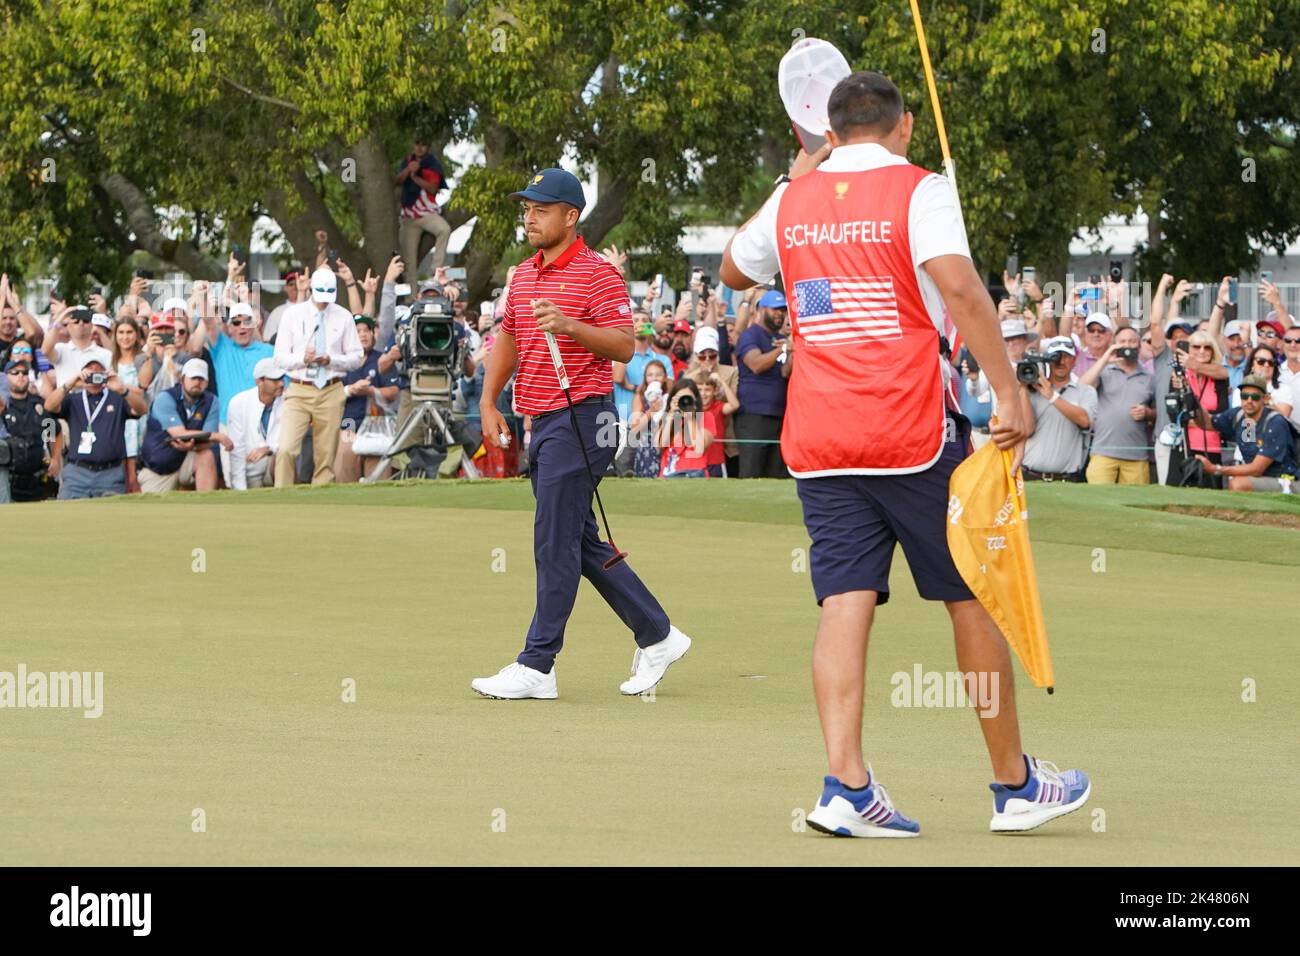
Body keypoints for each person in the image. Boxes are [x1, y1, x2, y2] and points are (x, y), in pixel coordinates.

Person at [721, 70, 1086, 837]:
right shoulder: (921, 188)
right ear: (904, 124)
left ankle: (845, 786)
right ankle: (1014, 786)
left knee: (844, 602)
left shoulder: (794, 198)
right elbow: (959, 289)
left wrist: (794, 180)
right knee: (972, 597)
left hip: (820, 437)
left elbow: (731, 270)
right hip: (911, 431)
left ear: (828, 128)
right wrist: (1009, 392)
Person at [472, 167, 691, 700]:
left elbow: (623, 346)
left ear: (570, 217)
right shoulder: (522, 275)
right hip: (542, 422)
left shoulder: (598, 274)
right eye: (526, 208)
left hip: (585, 420)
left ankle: (538, 663)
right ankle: (658, 634)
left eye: (541, 209)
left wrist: (570, 326)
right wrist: (486, 400)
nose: (529, 216)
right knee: (577, 540)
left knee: (553, 541)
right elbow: (509, 340)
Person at [272, 268, 364, 486]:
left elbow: (356, 357)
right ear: (311, 288)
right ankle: (280, 497)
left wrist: (331, 359)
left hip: (331, 388)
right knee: (286, 448)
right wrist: (302, 358)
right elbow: (279, 358)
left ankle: (318, 505)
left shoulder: (343, 316)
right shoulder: (292, 315)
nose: (324, 301)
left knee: (325, 458)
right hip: (299, 387)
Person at [45, 355, 147, 499]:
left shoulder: (116, 397)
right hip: (78, 471)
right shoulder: (74, 398)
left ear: (105, 373)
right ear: (82, 373)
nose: (94, 375)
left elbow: (142, 409)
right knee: (68, 515)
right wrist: (71, 383)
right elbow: (49, 405)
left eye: (98, 371)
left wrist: (122, 389)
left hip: (110, 472)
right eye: (90, 371)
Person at [137, 359, 231, 493]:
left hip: (186, 460)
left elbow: (207, 443)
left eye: (201, 378)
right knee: (152, 511)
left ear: (207, 382)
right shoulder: (165, 398)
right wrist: (218, 436)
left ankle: (207, 506)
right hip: (159, 467)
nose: (197, 382)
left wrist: (193, 445)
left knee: (206, 456)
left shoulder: (211, 401)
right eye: (193, 378)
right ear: (182, 379)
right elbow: (178, 433)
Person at [1077, 326, 1155, 484]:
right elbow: (1082, 387)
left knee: (1134, 505)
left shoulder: (1149, 377)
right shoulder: (1104, 371)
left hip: (1136, 455)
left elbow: (1158, 411)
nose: (1127, 345)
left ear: (1139, 345)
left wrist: (1147, 413)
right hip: (1103, 452)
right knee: (1099, 503)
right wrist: (1105, 359)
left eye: (1132, 341)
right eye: (1122, 341)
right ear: (1115, 344)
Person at [1198, 375, 1297, 492]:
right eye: (1244, 396)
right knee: (1238, 480)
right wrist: (1195, 405)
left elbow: (1256, 469)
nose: (1249, 401)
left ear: (1265, 399)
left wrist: (1216, 469)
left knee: (1238, 484)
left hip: (1288, 478)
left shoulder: (1276, 423)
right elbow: (1207, 423)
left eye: (1255, 397)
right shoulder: (1243, 418)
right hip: (1263, 477)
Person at [734, 288, 791, 478]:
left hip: (779, 415)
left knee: (776, 476)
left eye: (783, 310)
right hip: (753, 416)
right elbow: (756, 364)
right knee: (752, 473)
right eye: (775, 309)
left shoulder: (781, 339)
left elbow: (785, 372)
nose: (779, 314)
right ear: (761, 310)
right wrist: (782, 349)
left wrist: (793, 351)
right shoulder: (750, 335)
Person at [335, 314, 399, 484]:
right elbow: (329, 394)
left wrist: (370, 391)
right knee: (344, 461)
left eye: (366, 330)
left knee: (378, 472)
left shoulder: (381, 359)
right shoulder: (341, 361)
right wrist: (351, 389)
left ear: (373, 333)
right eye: (357, 331)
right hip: (348, 422)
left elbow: (393, 392)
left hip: (377, 425)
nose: (363, 335)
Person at [1022, 336, 1096, 481]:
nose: (1061, 362)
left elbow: (1084, 420)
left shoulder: (1086, 391)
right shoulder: (1033, 390)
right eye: (1056, 357)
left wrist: (1052, 396)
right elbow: (1026, 429)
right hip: (1031, 476)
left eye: (1066, 357)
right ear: (1048, 360)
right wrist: (1023, 389)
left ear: (1074, 361)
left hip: (1067, 479)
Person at [1, 360, 58, 501]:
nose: (21, 376)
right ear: (5, 377)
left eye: (25, 373)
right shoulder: (3, 406)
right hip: (9, 481)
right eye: (15, 373)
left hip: (36, 481)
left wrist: (55, 458)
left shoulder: (38, 404)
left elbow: (52, 429)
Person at [226, 358, 286, 490]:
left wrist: (269, 448)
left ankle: (287, 502)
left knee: (284, 458)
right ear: (259, 381)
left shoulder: (290, 401)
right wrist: (240, 490)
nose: (281, 383)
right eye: (275, 380)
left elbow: (292, 442)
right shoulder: (238, 402)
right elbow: (237, 449)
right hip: (249, 471)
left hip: (273, 465)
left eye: (282, 378)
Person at [396, 135, 452, 278]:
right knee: (409, 261)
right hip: (409, 216)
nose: (419, 148)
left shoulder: (432, 164)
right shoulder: (407, 161)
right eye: (417, 144)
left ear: (428, 147)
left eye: (423, 145)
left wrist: (415, 177)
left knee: (444, 229)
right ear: (413, 145)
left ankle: (436, 269)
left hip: (427, 213)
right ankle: (411, 297)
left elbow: (433, 188)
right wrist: (409, 170)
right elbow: (396, 180)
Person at [111, 316, 152, 492]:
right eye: (121, 332)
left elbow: (142, 389)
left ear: (136, 334)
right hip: (115, 419)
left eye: (129, 332)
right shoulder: (110, 360)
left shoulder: (143, 359)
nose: (125, 337)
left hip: (138, 419)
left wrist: (120, 387)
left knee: (134, 475)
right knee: (120, 473)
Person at [657, 378, 713, 478]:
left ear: (695, 399)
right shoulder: (668, 417)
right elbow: (661, 444)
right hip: (668, 474)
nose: (684, 401)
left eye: (688, 398)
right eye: (680, 397)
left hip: (694, 474)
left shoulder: (706, 417)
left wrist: (689, 416)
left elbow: (699, 448)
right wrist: (670, 414)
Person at [628, 358, 671, 478]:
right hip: (646, 449)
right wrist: (652, 411)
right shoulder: (640, 396)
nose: (654, 378)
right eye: (650, 375)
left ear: (665, 377)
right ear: (645, 378)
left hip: (667, 447)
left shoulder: (669, 396)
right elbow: (634, 429)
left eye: (659, 374)